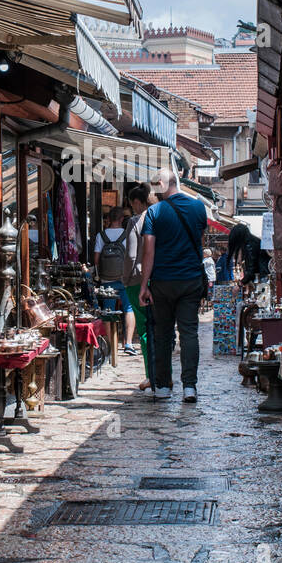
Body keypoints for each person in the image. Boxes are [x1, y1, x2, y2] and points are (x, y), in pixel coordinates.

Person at [139, 170, 207, 402]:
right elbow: (199, 240)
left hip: (163, 282)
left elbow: (149, 250)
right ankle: (189, 387)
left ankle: (163, 387)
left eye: (154, 187)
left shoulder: (154, 212)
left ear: (161, 184)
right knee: (189, 333)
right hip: (190, 280)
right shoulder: (198, 207)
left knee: (163, 334)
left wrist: (143, 285)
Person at [93, 206, 137, 354]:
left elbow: (96, 259)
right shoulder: (127, 234)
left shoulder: (101, 235)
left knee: (108, 311)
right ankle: (129, 344)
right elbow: (131, 256)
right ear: (121, 219)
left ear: (109, 219)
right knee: (128, 308)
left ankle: (111, 346)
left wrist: (99, 274)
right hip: (124, 278)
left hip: (106, 279)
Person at [122, 182, 153, 387]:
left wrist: (124, 279)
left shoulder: (135, 221)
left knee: (144, 330)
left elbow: (131, 255)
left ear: (136, 202)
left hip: (137, 281)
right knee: (160, 328)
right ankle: (164, 374)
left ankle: (151, 374)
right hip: (158, 279)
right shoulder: (158, 218)